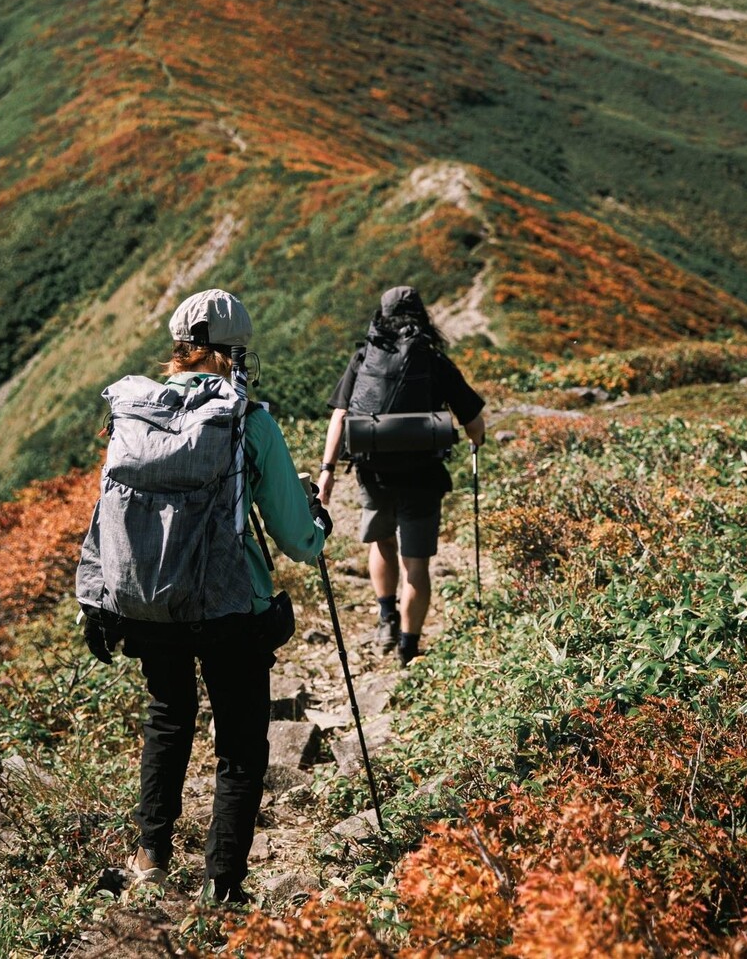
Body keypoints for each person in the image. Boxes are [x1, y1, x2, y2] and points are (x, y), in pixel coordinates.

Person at [76, 288, 328, 905]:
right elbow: (298, 540)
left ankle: (150, 860)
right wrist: (317, 525)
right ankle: (223, 887)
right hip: (227, 609)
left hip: (148, 603)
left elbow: (108, 512)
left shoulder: (135, 412)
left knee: (168, 720)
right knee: (240, 742)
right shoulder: (250, 419)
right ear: (237, 353)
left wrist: (95, 596)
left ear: (179, 351)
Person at [317, 285, 484, 667]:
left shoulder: (365, 357)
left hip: (373, 473)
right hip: (423, 478)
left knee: (381, 543)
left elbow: (340, 416)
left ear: (382, 316)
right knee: (416, 564)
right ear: (422, 316)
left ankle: (386, 617)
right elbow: (474, 422)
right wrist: (477, 440)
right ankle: (409, 648)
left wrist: (327, 472)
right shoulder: (433, 360)